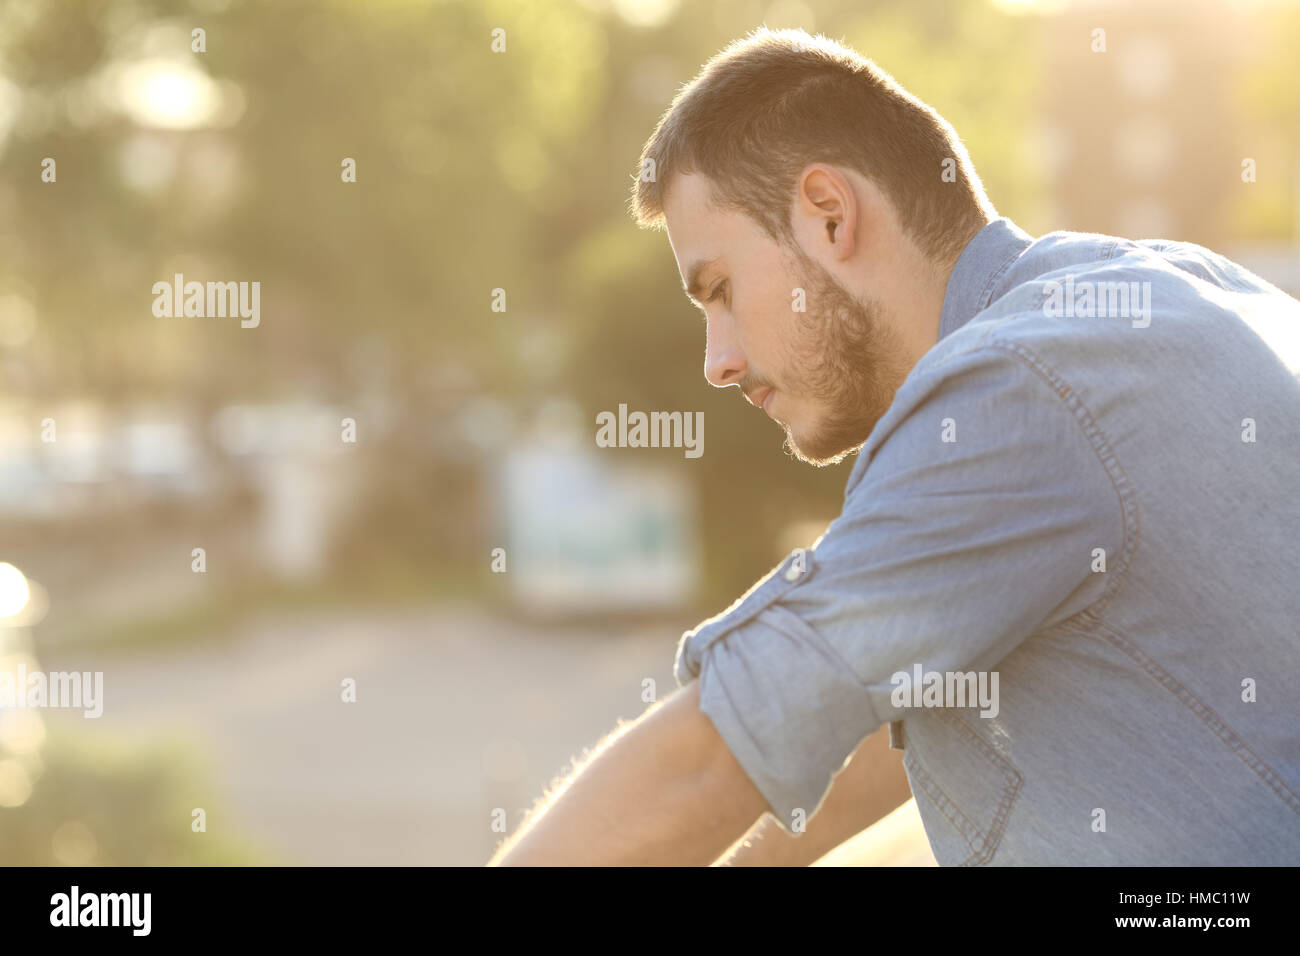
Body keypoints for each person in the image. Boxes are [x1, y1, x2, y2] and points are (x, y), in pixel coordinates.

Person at [489, 27, 1300, 866]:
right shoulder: (1179, 289)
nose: (717, 361)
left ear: (830, 215)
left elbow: (706, 759)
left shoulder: (1017, 390)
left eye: (721, 290)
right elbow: (885, 703)